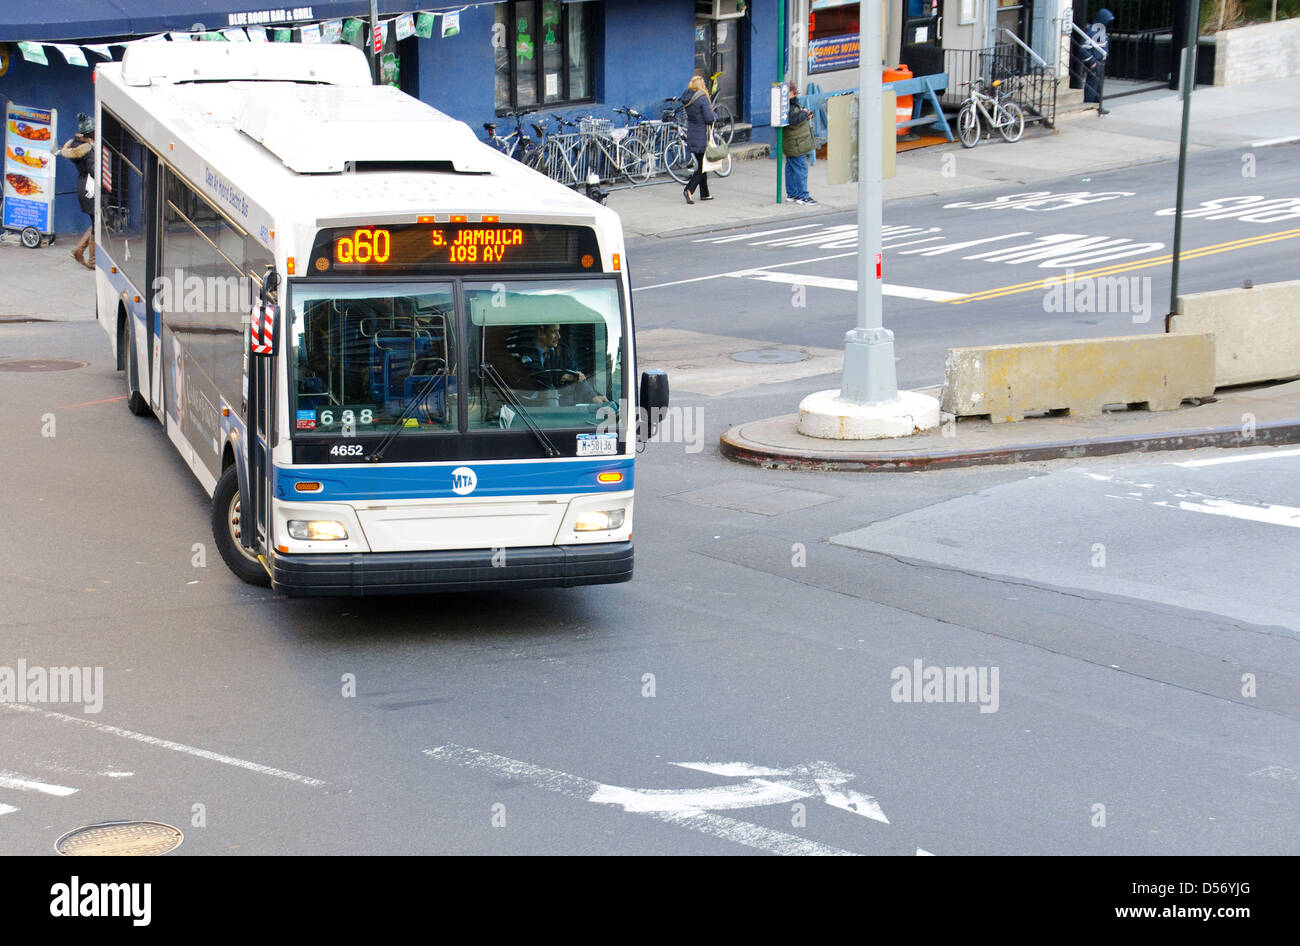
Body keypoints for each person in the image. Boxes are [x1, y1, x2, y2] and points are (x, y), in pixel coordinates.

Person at [517, 324, 607, 404]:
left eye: (558, 331)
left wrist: (593, 397)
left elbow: (578, 377)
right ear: (541, 333)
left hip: (562, 411)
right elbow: (536, 377)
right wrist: (563, 376)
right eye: (553, 332)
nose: (558, 336)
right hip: (530, 411)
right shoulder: (526, 351)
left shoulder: (564, 351)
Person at [58, 113, 97, 270]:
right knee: (97, 223)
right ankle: (92, 261)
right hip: (90, 189)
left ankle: (79, 250)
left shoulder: (75, 145)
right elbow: (95, 172)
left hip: (82, 186)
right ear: (90, 133)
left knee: (96, 222)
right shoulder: (89, 152)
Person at [680, 75, 716, 204]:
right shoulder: (702, 98)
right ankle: (689, 189)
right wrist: (714, 116)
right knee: (701, 167)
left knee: (702, 164)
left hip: (692, 134)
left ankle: (705, 194)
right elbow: (709, 118)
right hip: (701, 135)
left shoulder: (688, 98)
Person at [783, 85, 817, 206]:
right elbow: (794, 120)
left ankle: (792, 194)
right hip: (797, 144)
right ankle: (803, 196)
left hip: (792, 143)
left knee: (791, 169)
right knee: (801, 169)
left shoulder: (787, 107)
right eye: (794, 93)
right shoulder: (790, 108)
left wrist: (803, 113)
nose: (796, 94)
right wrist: (806, 115)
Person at [1082, 8, 1114, 112]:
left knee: (1098, 86)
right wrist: (1091, 62)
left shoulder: (1100, 30)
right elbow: (1083, 49)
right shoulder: (1092, 30)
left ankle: (1097, 106)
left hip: (1100, 62)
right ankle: (1089, 106)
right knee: (1092, 85)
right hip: (1095, 62)